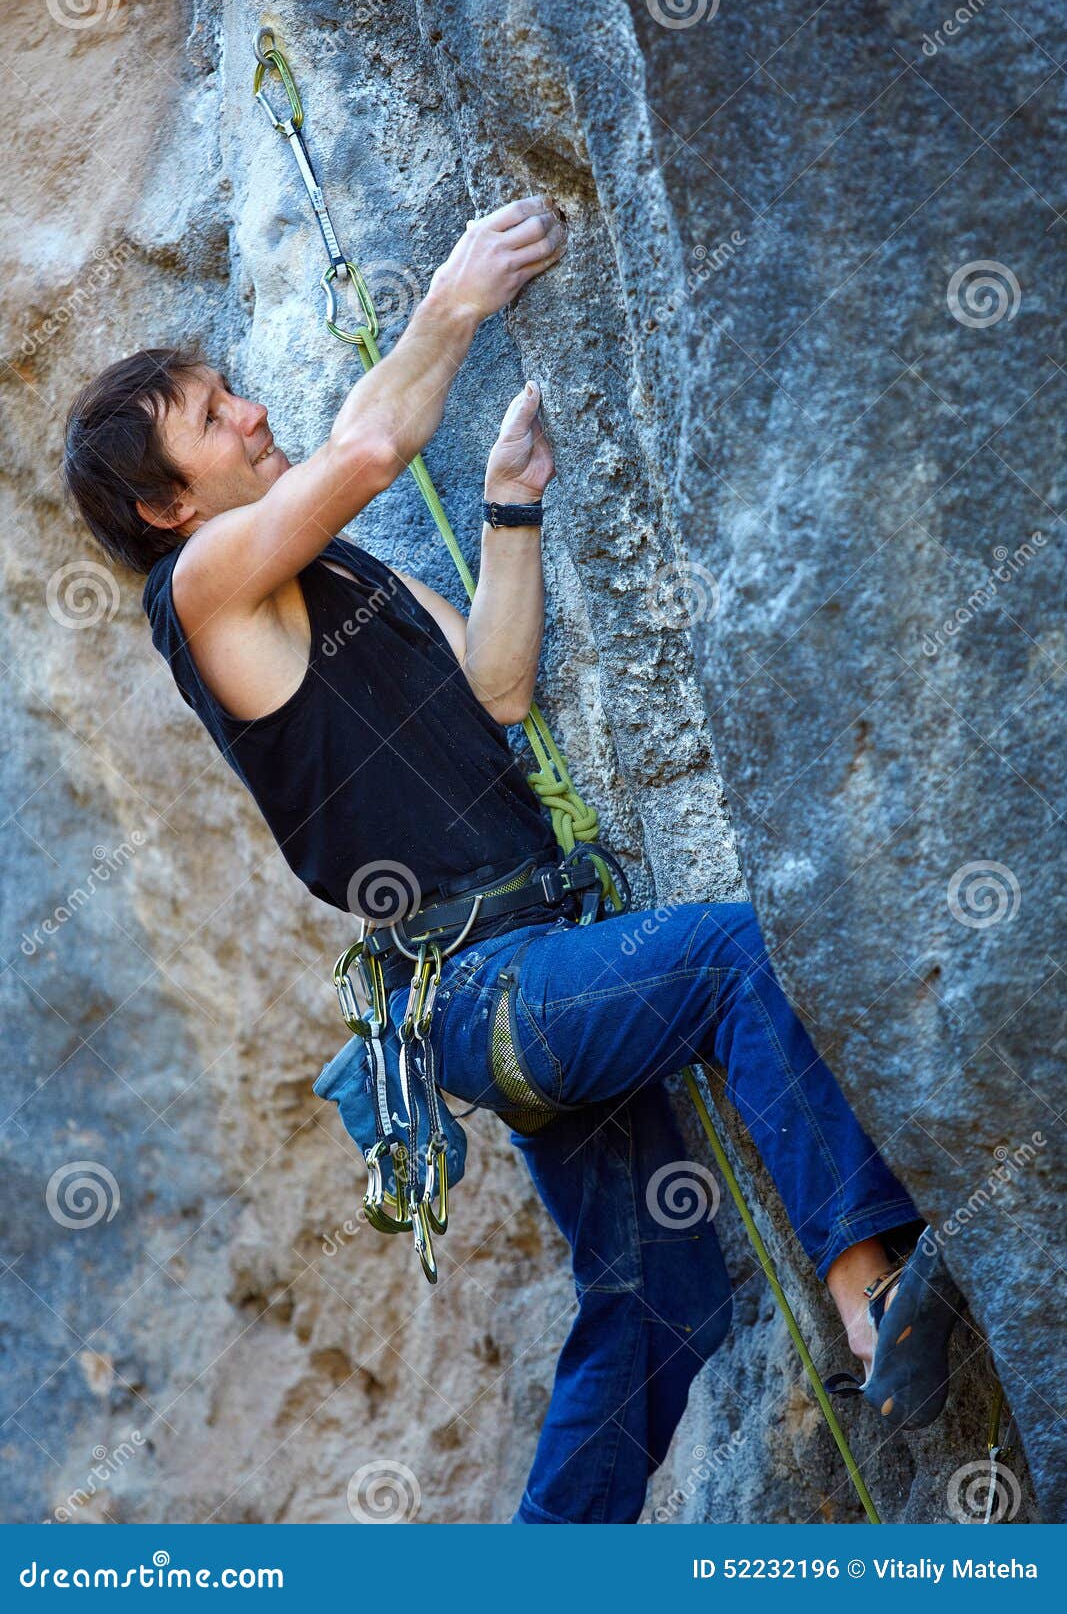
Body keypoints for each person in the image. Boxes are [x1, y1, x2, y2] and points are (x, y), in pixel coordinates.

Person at [62, 193, 962, 1524]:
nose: (251, 413)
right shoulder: (199, 598)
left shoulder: (337, 572)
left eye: (235, 394)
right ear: (165, 506)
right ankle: (868, 1294)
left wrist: (509, 507)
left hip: (517, 978)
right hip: (485, 983)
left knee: (661, 1299)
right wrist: (457, 296)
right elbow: (370, 437)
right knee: (727, 954)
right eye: (215, 419)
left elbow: (491, 684)